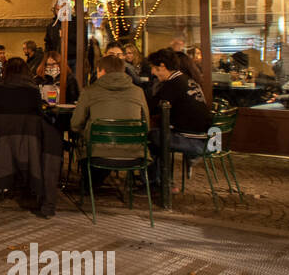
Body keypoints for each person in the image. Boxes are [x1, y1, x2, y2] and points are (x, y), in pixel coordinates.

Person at [70, 53, 150, 190]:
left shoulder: (90, 91)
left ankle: (90, 185)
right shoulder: (138, 92)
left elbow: (75, 124)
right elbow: (146, 125)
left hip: (97, 153)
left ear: (101, 71)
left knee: (84, 141)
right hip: (134, 153)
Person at [146, 48, 211, 188]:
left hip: (194, 141)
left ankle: (155, 184)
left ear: (162, 66)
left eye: (153, 68)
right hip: (206, 139)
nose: (152, 72)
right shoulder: (186, 79)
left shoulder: (173, 84)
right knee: (158, 136)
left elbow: (151, 107)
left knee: (150, 138)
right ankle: (163, 182)